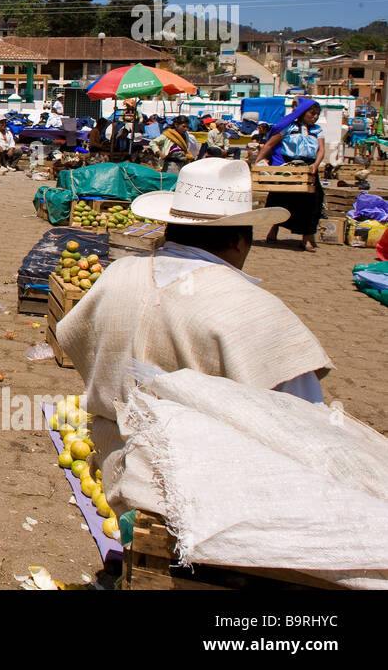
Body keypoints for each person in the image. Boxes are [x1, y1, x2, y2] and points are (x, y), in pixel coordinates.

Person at [57, 158, 331, 515]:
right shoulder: (256, 310)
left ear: (169, 229)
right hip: (202, 501)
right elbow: (305, 426)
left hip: (117, 479)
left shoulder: (117, 275)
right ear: (238, 240)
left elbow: (73, 337)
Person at [259, 97, 325, 252]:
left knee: (313, 201)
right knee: (281, 199)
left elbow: (321, 150)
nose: (314, 117)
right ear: (303, 112)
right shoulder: (288, 128)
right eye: (312, 113)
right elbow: (270, 144)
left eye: (317, 114)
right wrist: (258, 162)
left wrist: (316, 165)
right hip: (289, 168)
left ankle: (306, 239)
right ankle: (273, 230)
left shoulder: (317, 130)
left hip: (309, 169)